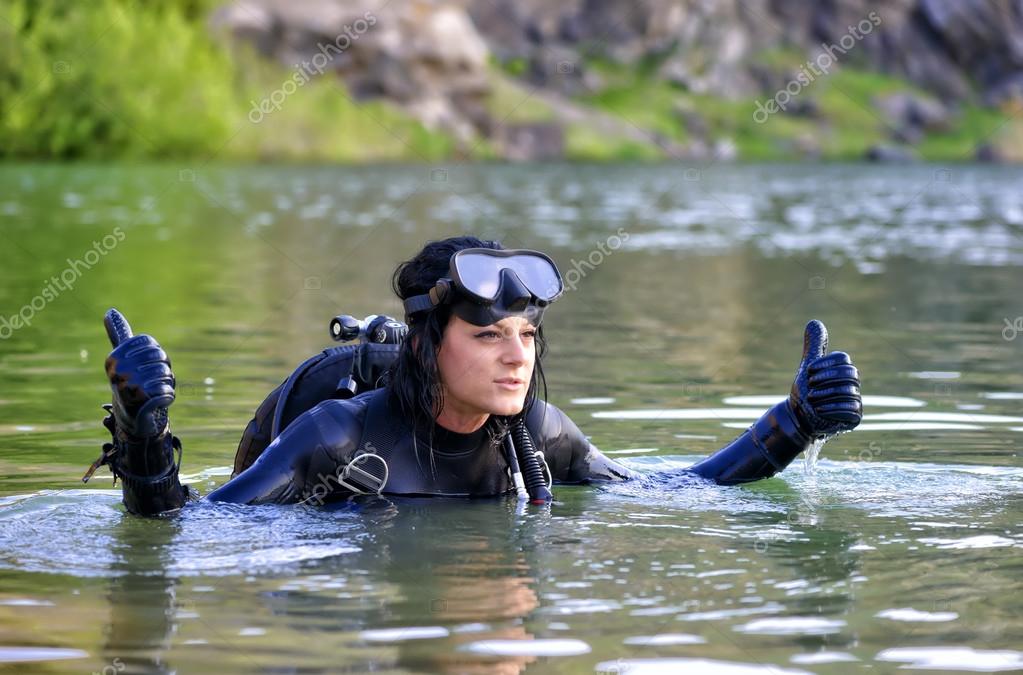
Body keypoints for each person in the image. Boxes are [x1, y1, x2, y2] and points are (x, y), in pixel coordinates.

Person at [84, 236, 862, 516]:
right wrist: (142, 430)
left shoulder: (539, 436)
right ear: (426, 344)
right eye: (488, 334)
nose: (517, 354)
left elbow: (683, 492)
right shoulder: (335, 436)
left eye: (526, 333)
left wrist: (790, 421)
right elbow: (179, 532)